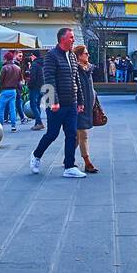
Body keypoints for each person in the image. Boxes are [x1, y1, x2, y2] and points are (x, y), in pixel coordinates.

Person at [29, 27, 86, 178]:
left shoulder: (72, 56)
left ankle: (69, 167)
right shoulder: (51, 56)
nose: (73, 40)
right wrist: (53, 101)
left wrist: (80, 100)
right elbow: (49, 79)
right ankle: (36, 156)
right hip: (56, 105)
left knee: (72, 135)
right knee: (52, 134)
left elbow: (76, 79)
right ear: (62, 39)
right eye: (71, 37)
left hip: (71, 103)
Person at [72, 44, 99, 173]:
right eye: (85, 53)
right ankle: (87, 162)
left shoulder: (88, 69)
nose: (88, 55)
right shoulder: (75, 69)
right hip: (79, 106)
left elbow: (91, 88)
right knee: (83, 134)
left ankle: (68, 157)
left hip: (88, 106)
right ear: (78, 56)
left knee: (77, 136)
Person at [0, 52, 23, 132]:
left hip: (5, 90)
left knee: (1, 108)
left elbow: (0, 81)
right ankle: (13, 126)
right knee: (12, 109)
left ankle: (0, 126)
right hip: (14, 91)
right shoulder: (18, 68)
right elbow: (20, 80)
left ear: (6, 58)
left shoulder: (4, 68)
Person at [27, 53, 45, 131]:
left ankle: (39, 123)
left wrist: (29, 85)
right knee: (37, 105)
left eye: (31, 55)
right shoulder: (43, 64)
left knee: (33, 105)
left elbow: (33, 77)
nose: (31, 57)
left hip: (35, 87)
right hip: (42, 86)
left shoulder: (34, 64)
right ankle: (37, 123)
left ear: (34, 56)